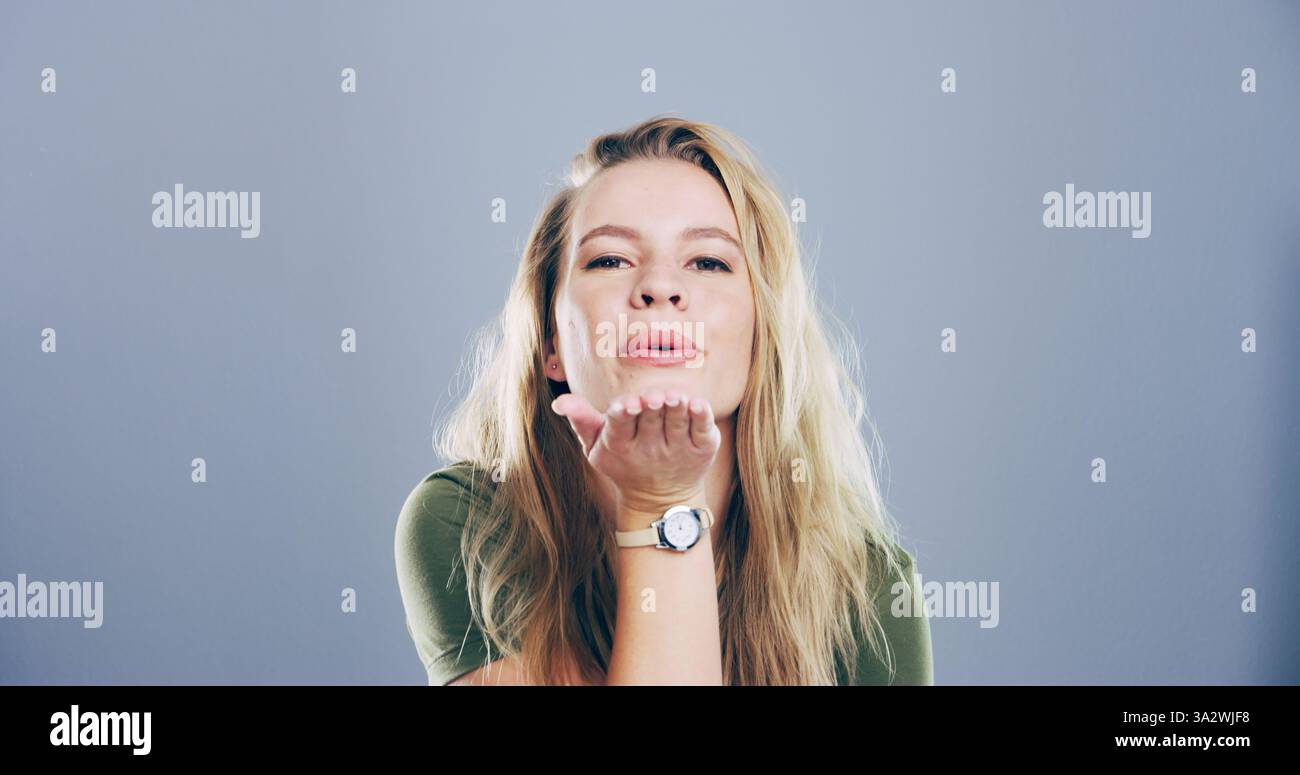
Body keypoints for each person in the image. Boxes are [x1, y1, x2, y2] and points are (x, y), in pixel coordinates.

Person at [394, 115, 933, 685]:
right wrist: (660, 502)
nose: (660, 286)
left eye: (708, 262)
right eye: (609, 260)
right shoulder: (471, 526)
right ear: (552, 343)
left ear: (762, 339)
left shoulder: (868, 585)